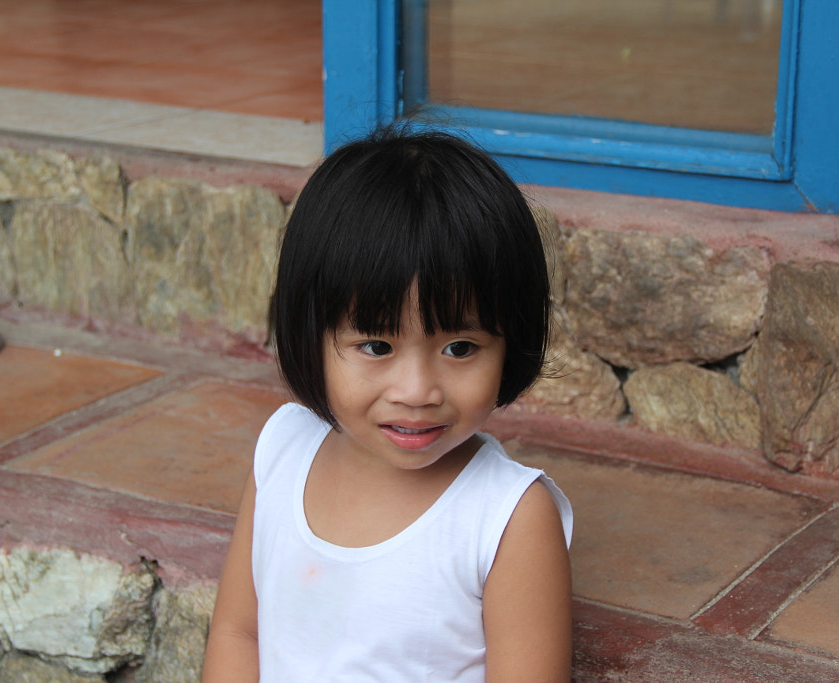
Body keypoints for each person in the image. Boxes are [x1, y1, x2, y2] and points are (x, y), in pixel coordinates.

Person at [203, 127, 573, 682]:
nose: (417, 390)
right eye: (376, 346)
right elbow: (240, 632)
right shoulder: (284, 448)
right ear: (310, 335)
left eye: (460, 347)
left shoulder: (506, 518)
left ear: (511, 342)